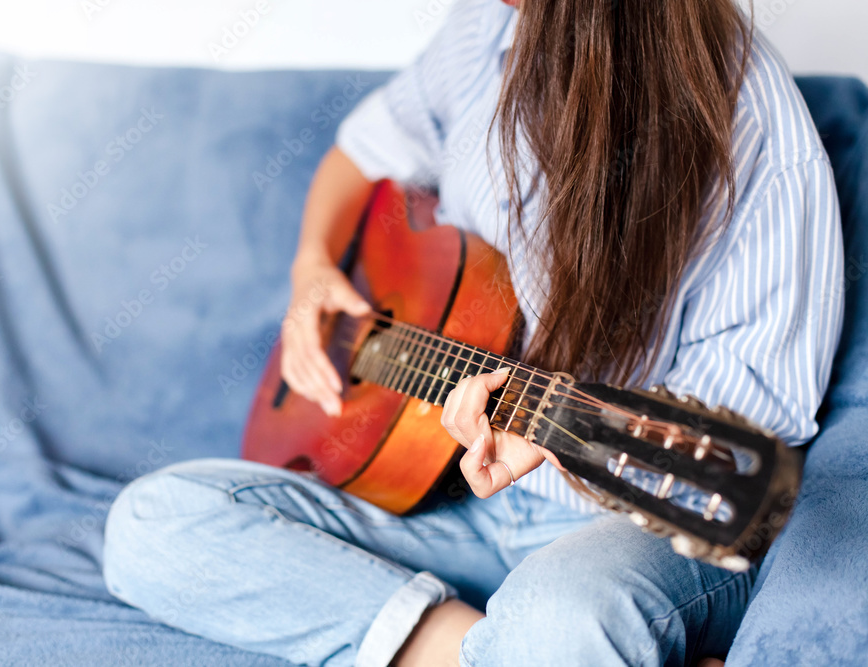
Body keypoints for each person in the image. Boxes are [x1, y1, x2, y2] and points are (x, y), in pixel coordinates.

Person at [101, 0, 844, 665]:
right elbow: (363, 152)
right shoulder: (486, 23)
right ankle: (479, 646)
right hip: (453, 500)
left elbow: (755, 426)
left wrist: (556, 435)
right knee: (151, 523)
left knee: (560, 619)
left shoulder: (756, 130)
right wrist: (311, 269)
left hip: (623, 533)